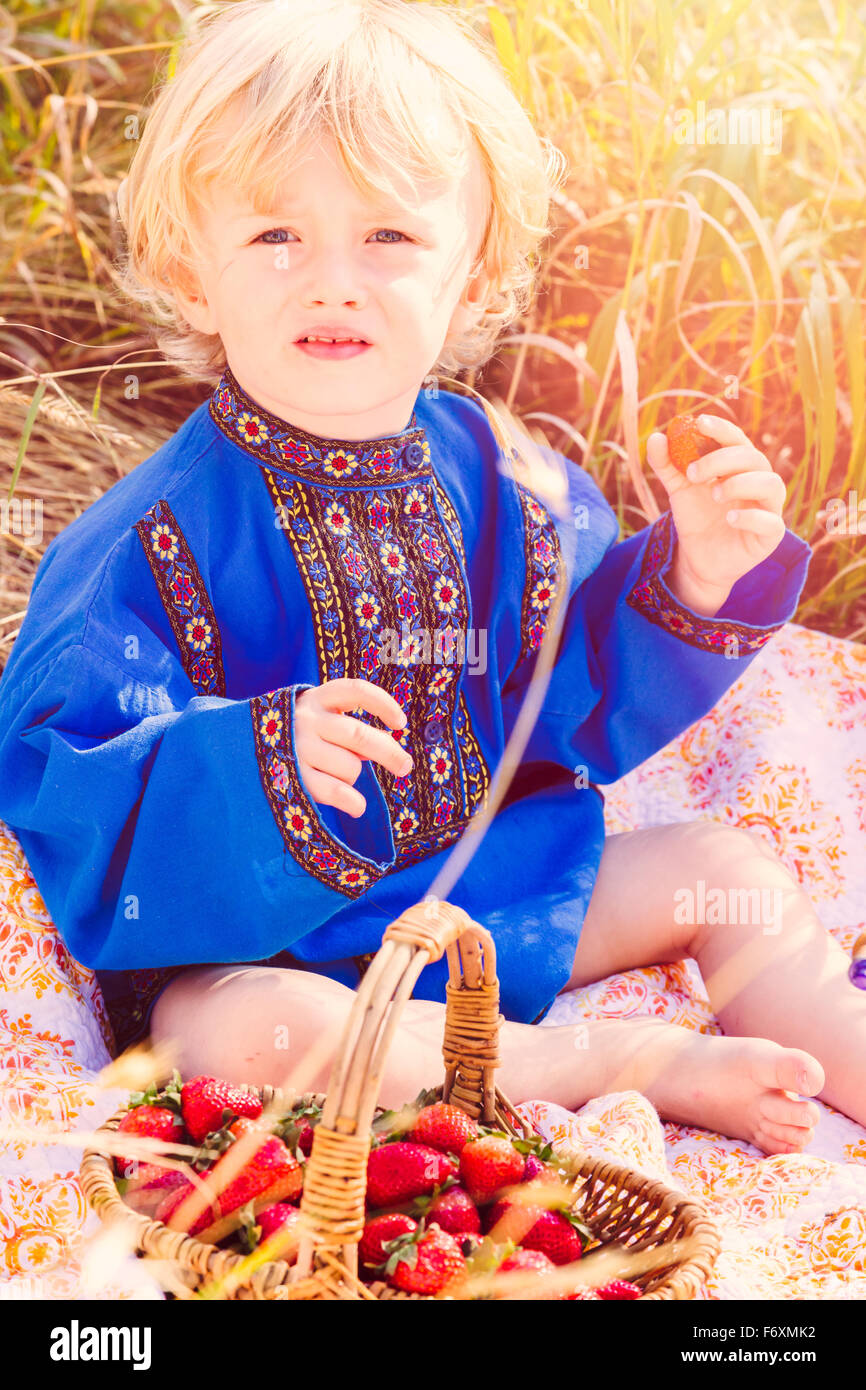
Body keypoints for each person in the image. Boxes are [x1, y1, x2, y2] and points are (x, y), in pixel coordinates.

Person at [0, 0, 859, 1156]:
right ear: (188, 270)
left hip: (488, 885)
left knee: (722, 869)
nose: (332, 283)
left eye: (390, 238)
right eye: (273, 238)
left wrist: (695, 575)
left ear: (473, 272)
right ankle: (599, 1060)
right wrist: (253, 760)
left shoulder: (506, 478)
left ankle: (841, 1049)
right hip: (264, 948)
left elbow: (582, 683)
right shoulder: (145, 539)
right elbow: (65, 771)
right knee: (248, 1037)